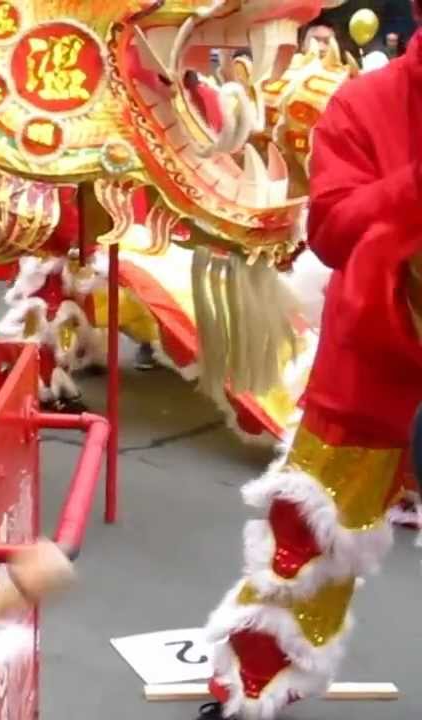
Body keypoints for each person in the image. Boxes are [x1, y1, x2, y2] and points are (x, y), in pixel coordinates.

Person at [197, 10, 422, 720]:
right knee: (305, 542)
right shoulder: (365, 102)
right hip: (373, 362)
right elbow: (329, 229)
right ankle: (251, 687)